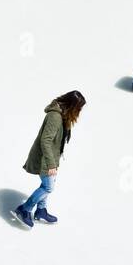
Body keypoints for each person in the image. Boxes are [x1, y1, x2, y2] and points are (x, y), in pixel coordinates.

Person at [13, 90, 87, 228]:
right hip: (45, 159)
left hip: (51, 158)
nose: (79, 111)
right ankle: (25, 209)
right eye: (78, 108)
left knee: (48, 184)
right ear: (71, 105)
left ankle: (41, 210)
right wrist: (52, 164)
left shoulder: (63, 115)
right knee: (48, 187)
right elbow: (45, 141)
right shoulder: (55, 116)